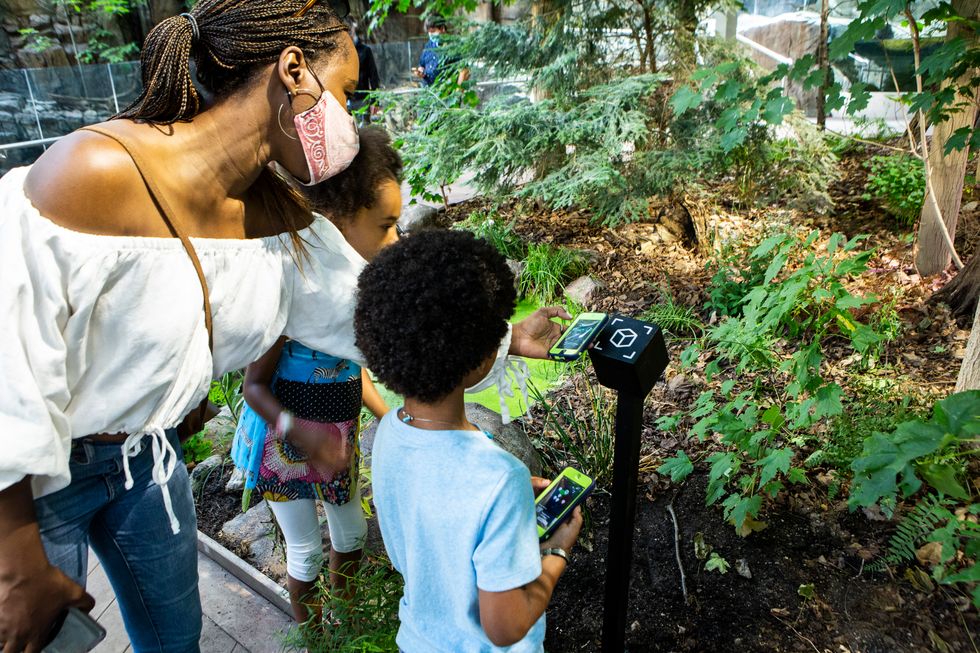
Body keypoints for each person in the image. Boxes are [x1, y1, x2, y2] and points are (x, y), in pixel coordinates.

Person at [0, 0, 567, 642]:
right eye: (347, 94)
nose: (350, 120)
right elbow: (9, 360)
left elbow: (375, 316)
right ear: (294, 70)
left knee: (173, 641)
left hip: (149, 460)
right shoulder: (92, 172)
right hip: (36, 485)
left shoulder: (280, 216)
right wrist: (15, 557)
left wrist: (501, 339)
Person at [354, 230, 583, 652]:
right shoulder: (499, 478)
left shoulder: (389, 433)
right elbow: (505, 626)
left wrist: (505, 511)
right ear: (480, 357)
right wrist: (556, 552)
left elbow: (437, 521)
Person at [231, 127, 401, 625]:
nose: (395, 241)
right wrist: (299, 431)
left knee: (349, 538)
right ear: (333, 223)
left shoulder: (355, 294)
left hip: (338, 437)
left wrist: (386, 415)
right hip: (284, 441)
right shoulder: (293, 295)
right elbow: (253, 387)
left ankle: (342, 626)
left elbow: (350, 368)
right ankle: (312, 637)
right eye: (385, 226)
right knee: (304, 550)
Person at [413, 15, 469, 87]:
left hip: (447, 92)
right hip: (429, 91)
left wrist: (459, 91)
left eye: (433, 31)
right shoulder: (428, 45)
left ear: (442, 28)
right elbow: (422, 65)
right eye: (429, 32)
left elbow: (464, 70)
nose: (430, 35)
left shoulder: (453, 46)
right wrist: (420, 72)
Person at [347, 19, 380, 121]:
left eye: (349, 30)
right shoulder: (339, 51)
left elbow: (374, 77)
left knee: (364, 133)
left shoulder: (365, 50)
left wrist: (375, 101)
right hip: (344, 100)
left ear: (353, 29)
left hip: (362, 99)